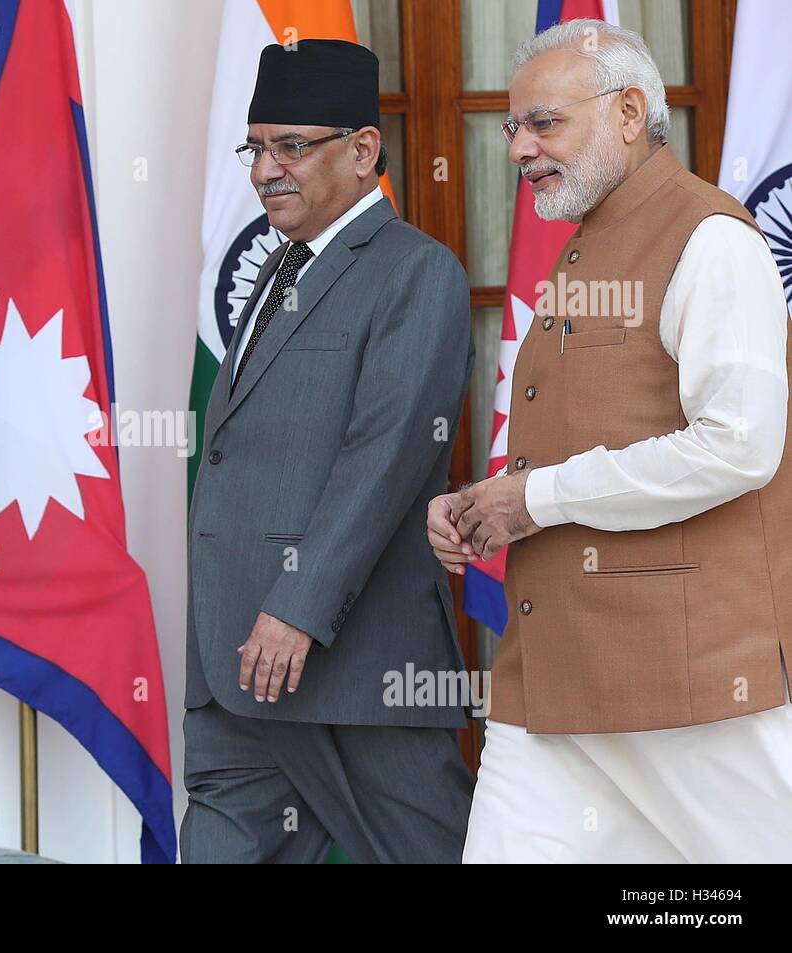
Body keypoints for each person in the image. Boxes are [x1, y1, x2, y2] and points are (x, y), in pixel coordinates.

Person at [428, 19, 792, 862]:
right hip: (547, 684)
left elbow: (738, 445)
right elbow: (591, 431)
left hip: (688, 682)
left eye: (544, 122)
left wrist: (535, 498)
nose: (519, 147)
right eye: (512, 126)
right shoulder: (585, 246)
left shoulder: (712, 239)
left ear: (630, 112)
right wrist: (483, 507)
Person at [183, 38, 475, 863]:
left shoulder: (417, 271)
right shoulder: (279, 270)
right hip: (232, 670)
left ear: (362, 151)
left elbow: (381, 457)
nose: (264, 170)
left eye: (290, 146)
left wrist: (297, 608)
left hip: (356, 673)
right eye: (256, 147)